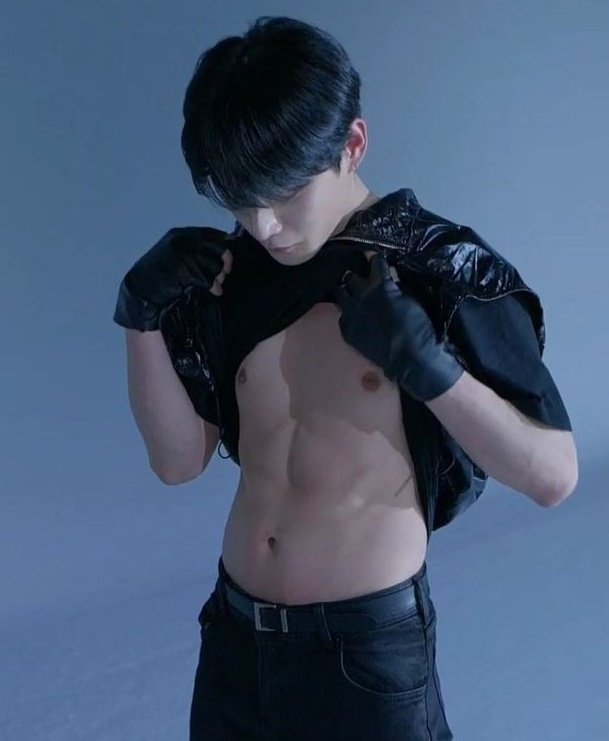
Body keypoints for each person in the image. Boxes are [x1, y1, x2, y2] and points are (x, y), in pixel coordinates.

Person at [112, 16, 578, 741]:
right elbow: (177, 463)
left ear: (352, 144)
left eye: (284, 193)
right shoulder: (232, 276)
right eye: (241, 199)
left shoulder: (436, 269)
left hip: (364, 656)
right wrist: (139, 316)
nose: (264, 225)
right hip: (236, 642)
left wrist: (428, 367)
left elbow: (553, 476)